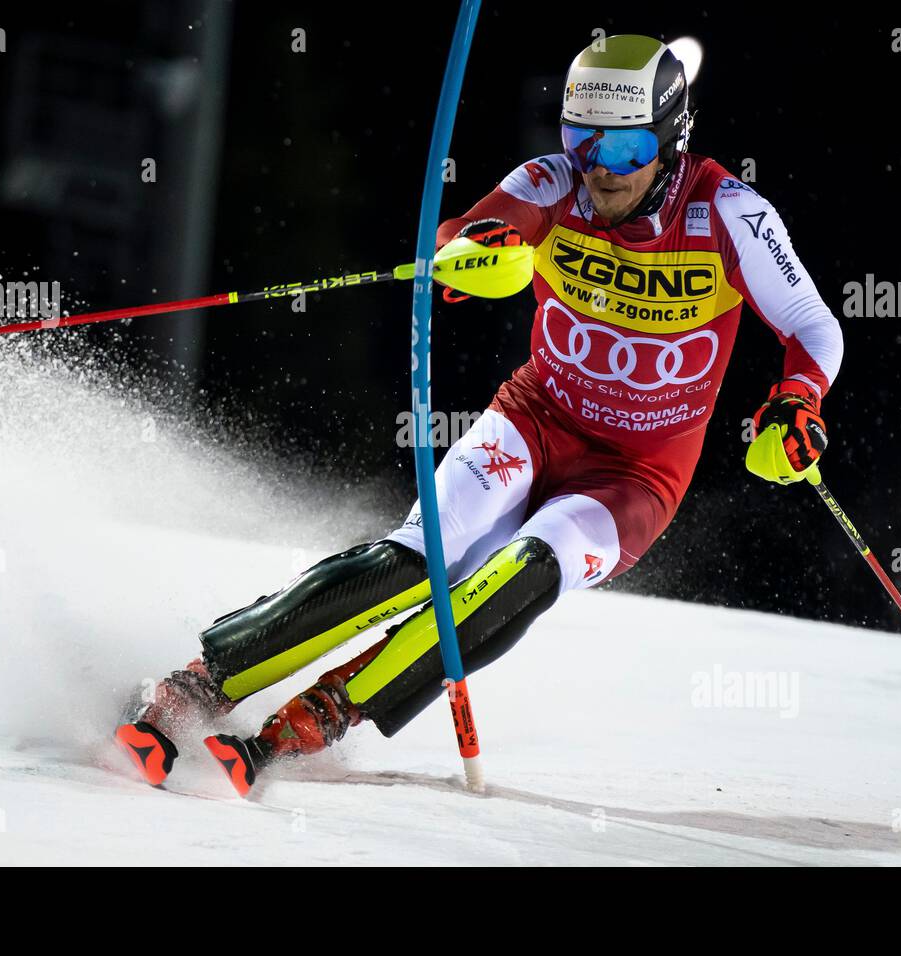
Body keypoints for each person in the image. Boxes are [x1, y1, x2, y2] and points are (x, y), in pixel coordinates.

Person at [115, 33, 844, 792]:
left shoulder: (729, 212)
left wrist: (798, 401)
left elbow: (814, 325)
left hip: (635, 476)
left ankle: (323, 714)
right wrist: (471, 254)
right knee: (414, 561)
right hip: (535, 419)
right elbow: (460, 239)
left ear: (670, 141)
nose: (599, 167)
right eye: (582, 139)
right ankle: (195, 687)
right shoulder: (551, 182)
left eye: (626, 151)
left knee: (515, 579)